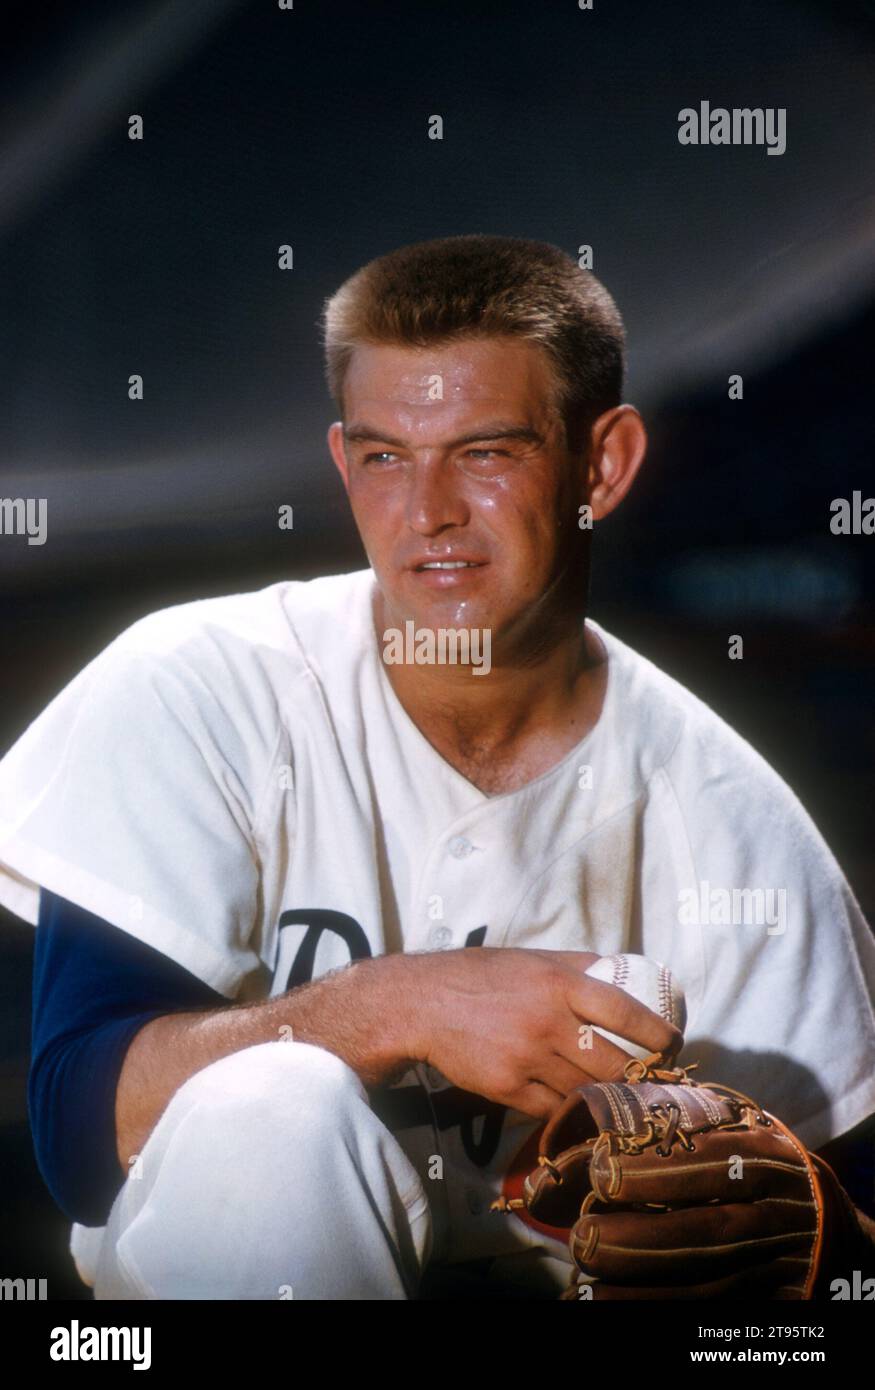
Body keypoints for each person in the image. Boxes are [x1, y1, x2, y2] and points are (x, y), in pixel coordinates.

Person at [1, 234, 873, 1300]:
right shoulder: (199, 686)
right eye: (383, 456)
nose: (427, 515)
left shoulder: (736, 827)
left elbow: (830, 1242)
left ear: (602, 464)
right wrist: (392, 1007)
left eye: (486, 452)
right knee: (270, 1109)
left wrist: (781, 1262)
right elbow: (80, 1135)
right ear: (340, 463)